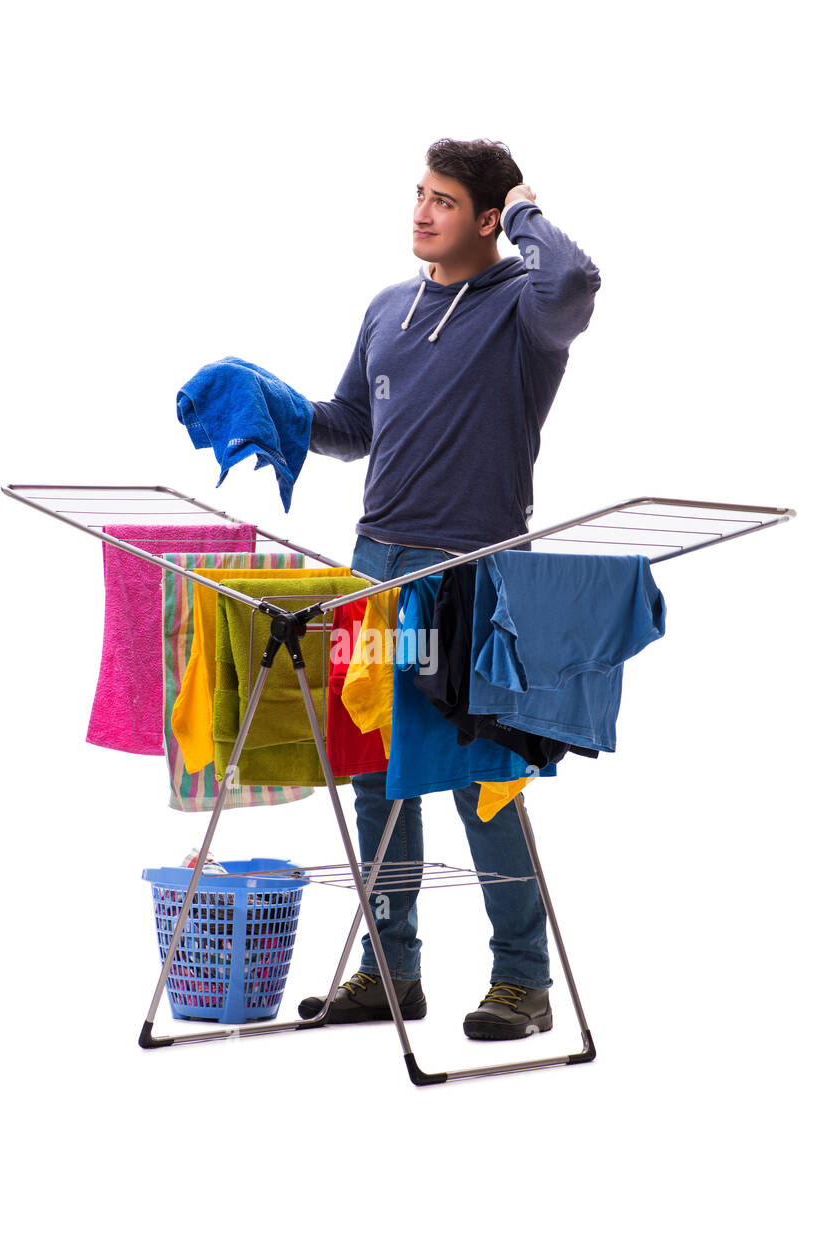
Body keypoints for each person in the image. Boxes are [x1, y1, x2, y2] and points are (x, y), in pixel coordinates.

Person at [299, 137, 600, 1040]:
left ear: (486, 218)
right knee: (376, 773)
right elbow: (350, 425)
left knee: (483, 776)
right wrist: (281, 409)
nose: (422, 212)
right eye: (419, 195)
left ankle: (521, 983)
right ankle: (389, 971)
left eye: (443, 200)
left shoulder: (522, 309)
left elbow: (576, 282)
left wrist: (528, 215)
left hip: (471, 574)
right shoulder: (387, 307)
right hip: (375, 569)